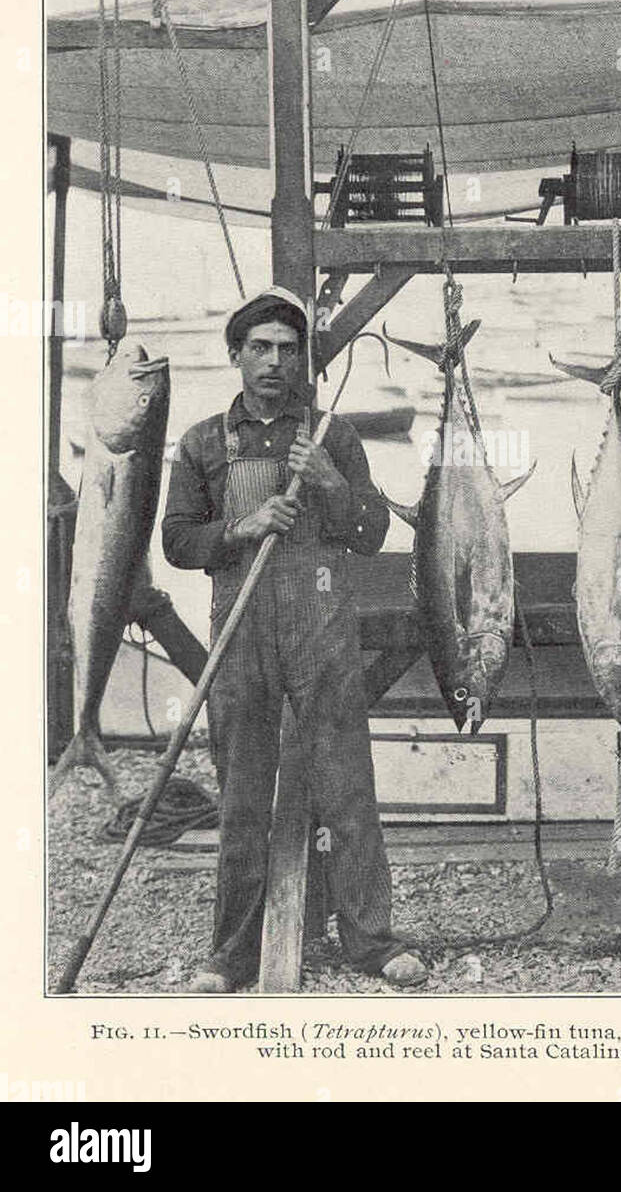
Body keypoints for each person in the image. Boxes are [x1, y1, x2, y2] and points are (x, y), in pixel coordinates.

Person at [162, 286, 427, 991]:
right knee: (243, 793)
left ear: (302, 359)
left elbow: (371, 534)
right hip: (242, 630)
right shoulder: (199, 444)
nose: (274, 362)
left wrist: (332, 482)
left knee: (347, 790)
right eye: (260, 349)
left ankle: (372, 942)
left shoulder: (331, 435)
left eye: (287, 349)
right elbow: (176, 543)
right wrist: (240, 529)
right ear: (235, 357)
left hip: (320, 627)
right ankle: (231, 955)